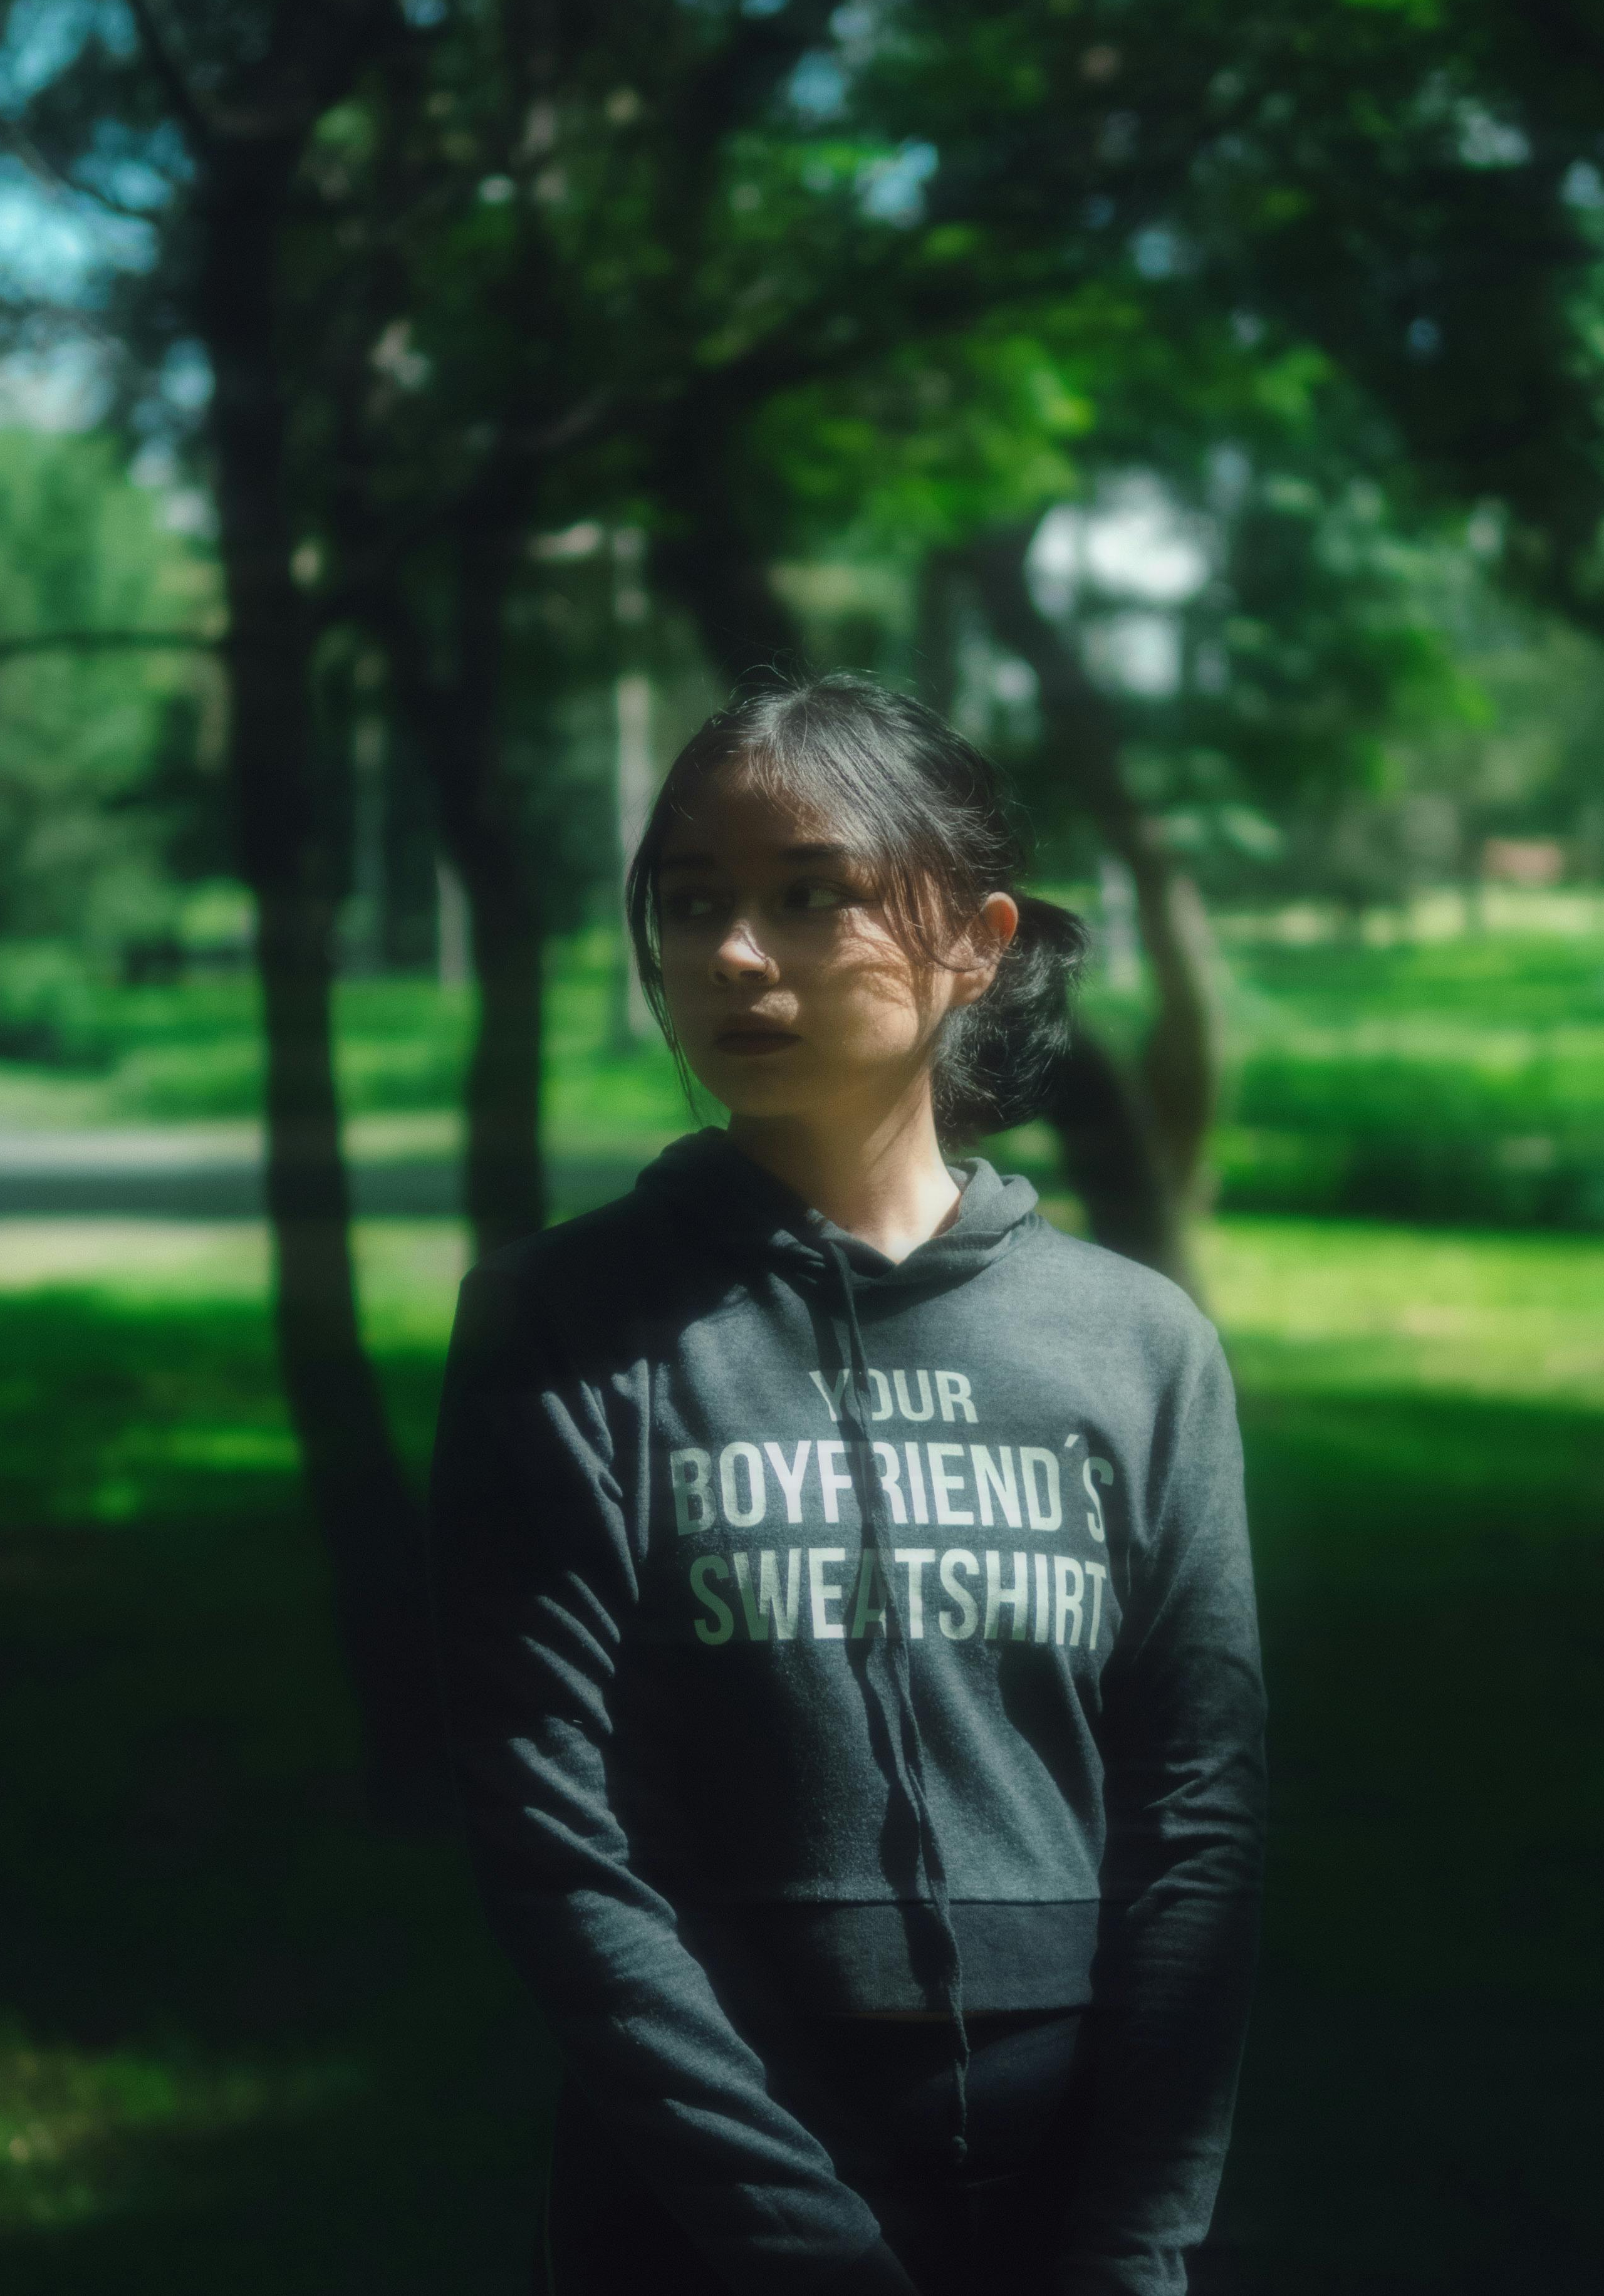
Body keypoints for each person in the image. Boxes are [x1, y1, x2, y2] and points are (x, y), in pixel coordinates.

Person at [428, 676, 1266, 2296]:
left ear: (975, 937)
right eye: (691, 902)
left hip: (1066, 2210)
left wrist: (1135, 2248)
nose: (734, 951)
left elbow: (1197, 1828)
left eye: (810, 892)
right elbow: (560, 1843)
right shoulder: (560, 1331)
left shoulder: (1140, 1347)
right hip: (692, 2215)